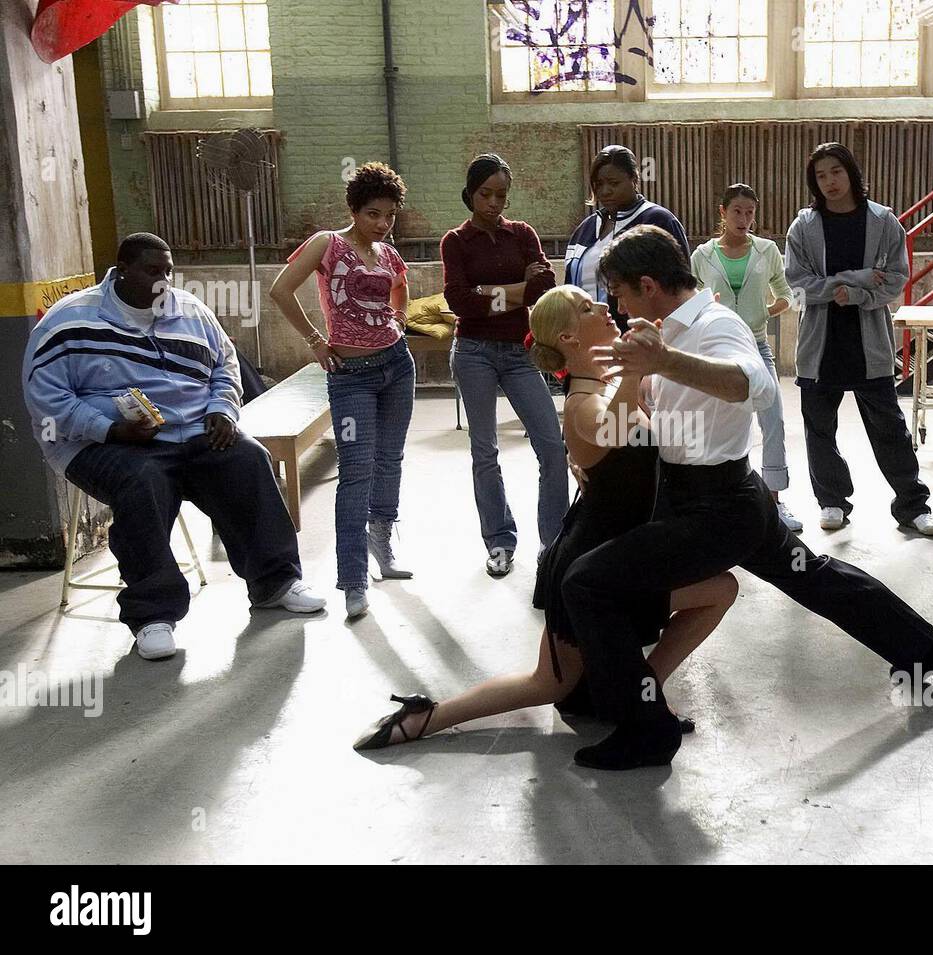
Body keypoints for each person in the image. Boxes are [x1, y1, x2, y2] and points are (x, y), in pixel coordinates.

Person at [560, 225, 933, 771]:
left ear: (648, 283)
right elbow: (671, 420)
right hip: (718, 498)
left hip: (718, 508)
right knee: (811, 576)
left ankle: (644, 727)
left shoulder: (713, 325)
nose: (619, 306)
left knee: (588, 581)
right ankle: (925, 652)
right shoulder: (669, 328)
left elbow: (755, 386)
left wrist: (664, 364)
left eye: (622, 294)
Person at [353, 285, 736, 749]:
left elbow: (649, 437)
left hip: (628, 553)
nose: (602, 307)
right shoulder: (583, 404)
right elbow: (612, 430)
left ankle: (641, 691)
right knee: (547, 682)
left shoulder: (609, 389)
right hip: (591, 562)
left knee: (719, 589)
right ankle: (427, 717)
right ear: (571, 339)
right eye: (586, 307)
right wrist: (638, 371)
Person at [22, 233, 326, 660]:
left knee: (249, 458)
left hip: (193, 432)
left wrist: (222, 409)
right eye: (152, 271)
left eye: (168, 271)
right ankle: (152, 616)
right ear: (122, 269)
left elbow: (225, 365)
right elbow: (46, 400)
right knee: (142, 479)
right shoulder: (69, 321)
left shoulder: (190, 310)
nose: (163, 281)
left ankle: (275, 583)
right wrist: (110, 429)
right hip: (99, 443)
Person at [270, 161, 415, 619]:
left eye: (390, 215)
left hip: (397, 367)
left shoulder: (388, 255)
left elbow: (400, 292)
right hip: (351, 376)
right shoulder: (327, 245)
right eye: (373, 213)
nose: (382, 223)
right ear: (354, 209)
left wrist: (399, 321)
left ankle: (382, 545)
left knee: (390, 459)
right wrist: (316, 340)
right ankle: (352, 580)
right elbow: (280, 289)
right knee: (356, 471)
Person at [784, 142, 933, 537]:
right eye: (820, 176)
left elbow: (894, 279)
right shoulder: (803, 227)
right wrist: (855, 278)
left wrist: (856, 294)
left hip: (868, 345)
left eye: (836, 171)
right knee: (819, 429)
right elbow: (798, 285)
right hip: (820, 347)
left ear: (851, 173)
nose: (830, 182)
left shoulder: (882, 221)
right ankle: (832, 501)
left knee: (890, 427)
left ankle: (913, 506)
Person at [441, 153, 565, 578]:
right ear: (471, 194)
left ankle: (556, 544)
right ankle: (498, 542)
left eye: (501, 195)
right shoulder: (455, 241)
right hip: (473, 351)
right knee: (485, 451)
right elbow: (459, 302)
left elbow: (545, 287)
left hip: (519, 352)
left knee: (551, 445)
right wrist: (518, 289)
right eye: (485, 194)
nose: (494, 203)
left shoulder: (523, 233)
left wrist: (492, 293)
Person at [691, 183, 801, 531]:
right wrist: (710, 306)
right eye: (737, 211)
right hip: (716, 350)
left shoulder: (767, 250)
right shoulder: (702, 255)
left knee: (773, 420)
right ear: (722, 213)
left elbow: (787, 294)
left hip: (756, 344)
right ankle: (720, 501)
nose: (744, 219)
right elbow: (688, 301)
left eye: (750, 212)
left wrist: (765, 309)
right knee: (717, 426)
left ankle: (773, 502)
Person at [564, 144, 689, 332]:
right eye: (599, 184)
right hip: (587, 341)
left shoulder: (657, 220)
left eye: (614, 183)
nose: (605, 191)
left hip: (641, 339)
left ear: (634, 179)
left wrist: (667, 339)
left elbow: (682, 287)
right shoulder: (585, 229)